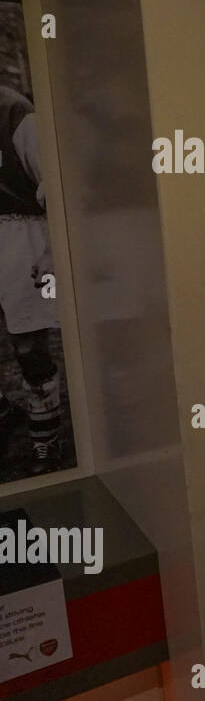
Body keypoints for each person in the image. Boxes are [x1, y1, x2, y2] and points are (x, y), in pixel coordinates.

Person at [0, 84, 64, 473]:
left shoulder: (14, 111)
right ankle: (5, 414)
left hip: (19, 237)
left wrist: (51, 252)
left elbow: (53, 184)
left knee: (29, 347)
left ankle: (46, 436)